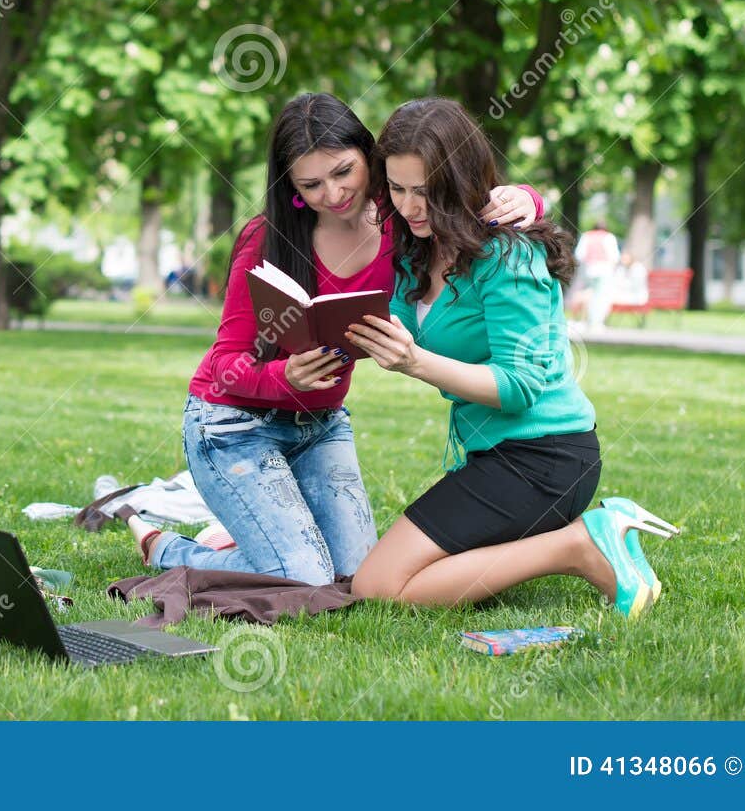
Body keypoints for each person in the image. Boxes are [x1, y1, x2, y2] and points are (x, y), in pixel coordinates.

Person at [119, 93, 545, 586]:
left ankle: (248, 538)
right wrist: (284, 375)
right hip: (232, 424)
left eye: (344, 172)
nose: (334, 193)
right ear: (292, 186)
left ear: (370, 156)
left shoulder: (404, 216)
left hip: (321, 423)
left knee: (356, 578)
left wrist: (528, 198)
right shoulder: (268, 239)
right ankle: (167, 547)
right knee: (306, 581)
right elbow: (224, 364)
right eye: (311, 184)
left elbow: (467, 197)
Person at [345, 99, 674, 617]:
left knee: (378, 588)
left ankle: (581, 545)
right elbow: (391, 321)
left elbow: (520, 388)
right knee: (388, 580)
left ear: (459, 182)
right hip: (494, 457)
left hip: (547, 459)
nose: (410, 207)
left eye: (426, 192)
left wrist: (414, 362)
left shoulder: (507, 256)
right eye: (398, 189)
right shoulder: (414, 254)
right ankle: (572, 544)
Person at [575, 221, 620, 331]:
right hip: (604, 270)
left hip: (589, 270)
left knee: (588, 294)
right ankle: (596, 322)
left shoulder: (587, 236)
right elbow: (614, 256)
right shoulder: (609, 237)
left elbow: (579, 254)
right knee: (601, 297)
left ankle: (585, 321)